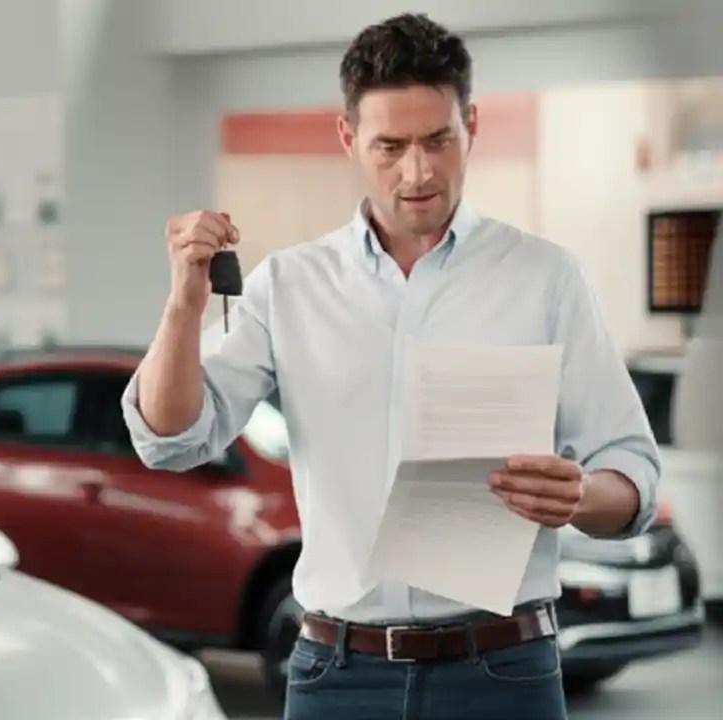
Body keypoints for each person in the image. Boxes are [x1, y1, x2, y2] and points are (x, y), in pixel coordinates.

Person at [121, 12, 660, 720]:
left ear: (471, 124)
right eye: (391, 146)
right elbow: (170, 439)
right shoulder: (288, 286)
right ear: (349, 139)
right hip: (337, 677)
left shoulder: (547, 279)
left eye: (438, 140)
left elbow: (632, 470)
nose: (418, 171)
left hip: (504, 672)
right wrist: (183, 306)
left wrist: (581, 496)